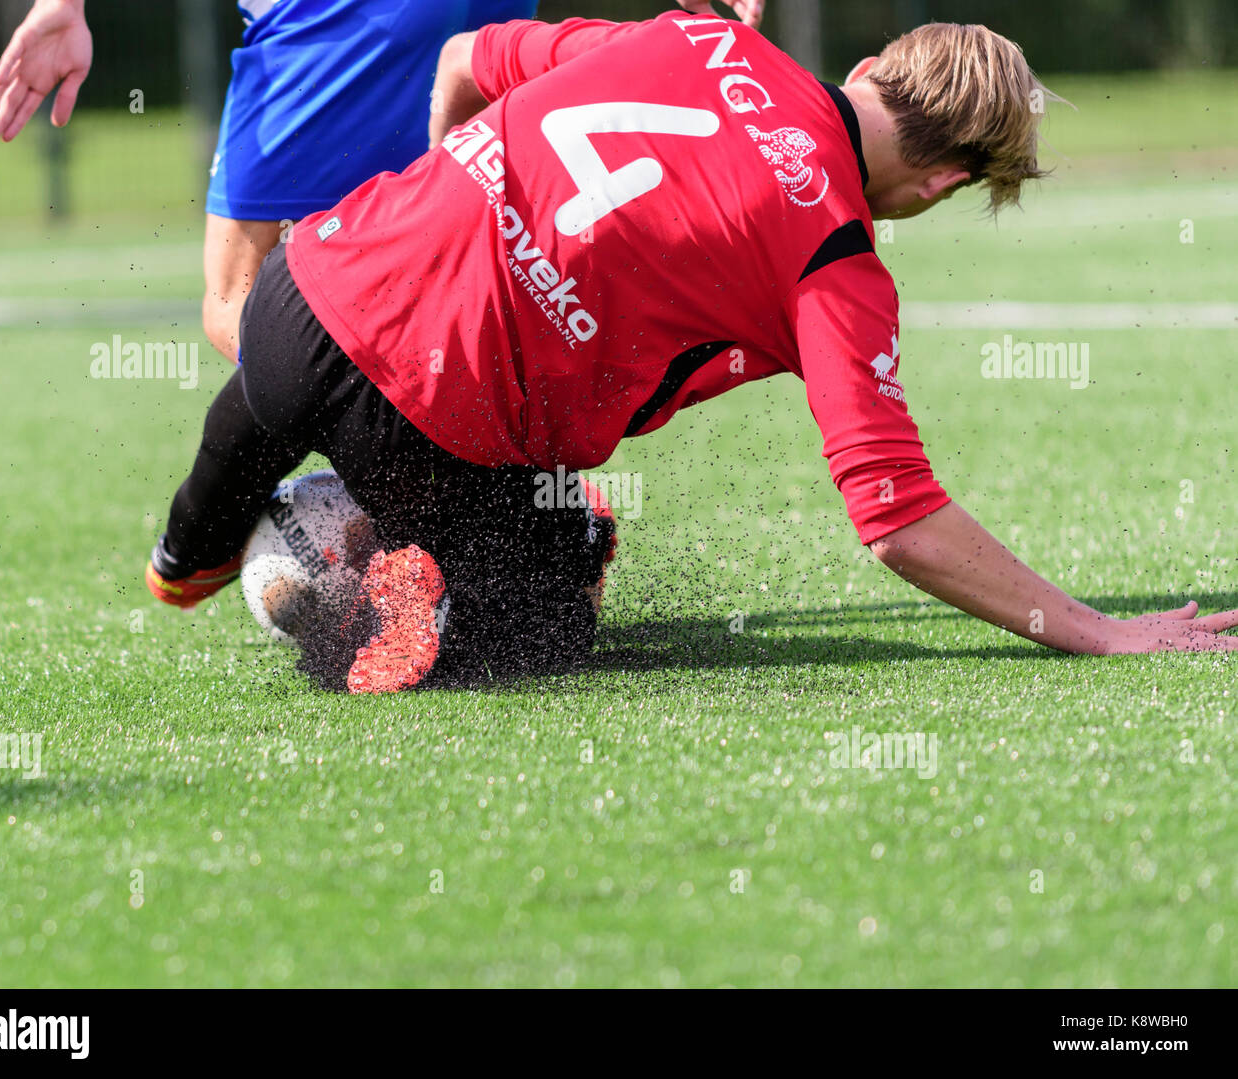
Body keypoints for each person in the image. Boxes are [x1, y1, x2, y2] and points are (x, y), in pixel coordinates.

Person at [142, 9, 1238, 692]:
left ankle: (189, 554)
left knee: (224, 480)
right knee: (551, 603)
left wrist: (446, 216)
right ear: (946, 182)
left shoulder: (694, 35)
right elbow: (898, 518)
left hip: (308, 291)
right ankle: (387, 588)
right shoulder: (835, 257)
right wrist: (1097, 631)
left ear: (868, 66)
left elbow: (468, 59)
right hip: (423, 414)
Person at [0, 1, 761, 362]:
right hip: (466, 18)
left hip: (338, 25)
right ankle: (509, 512)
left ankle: (412, 478)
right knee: (466, 257)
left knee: (236, 303)